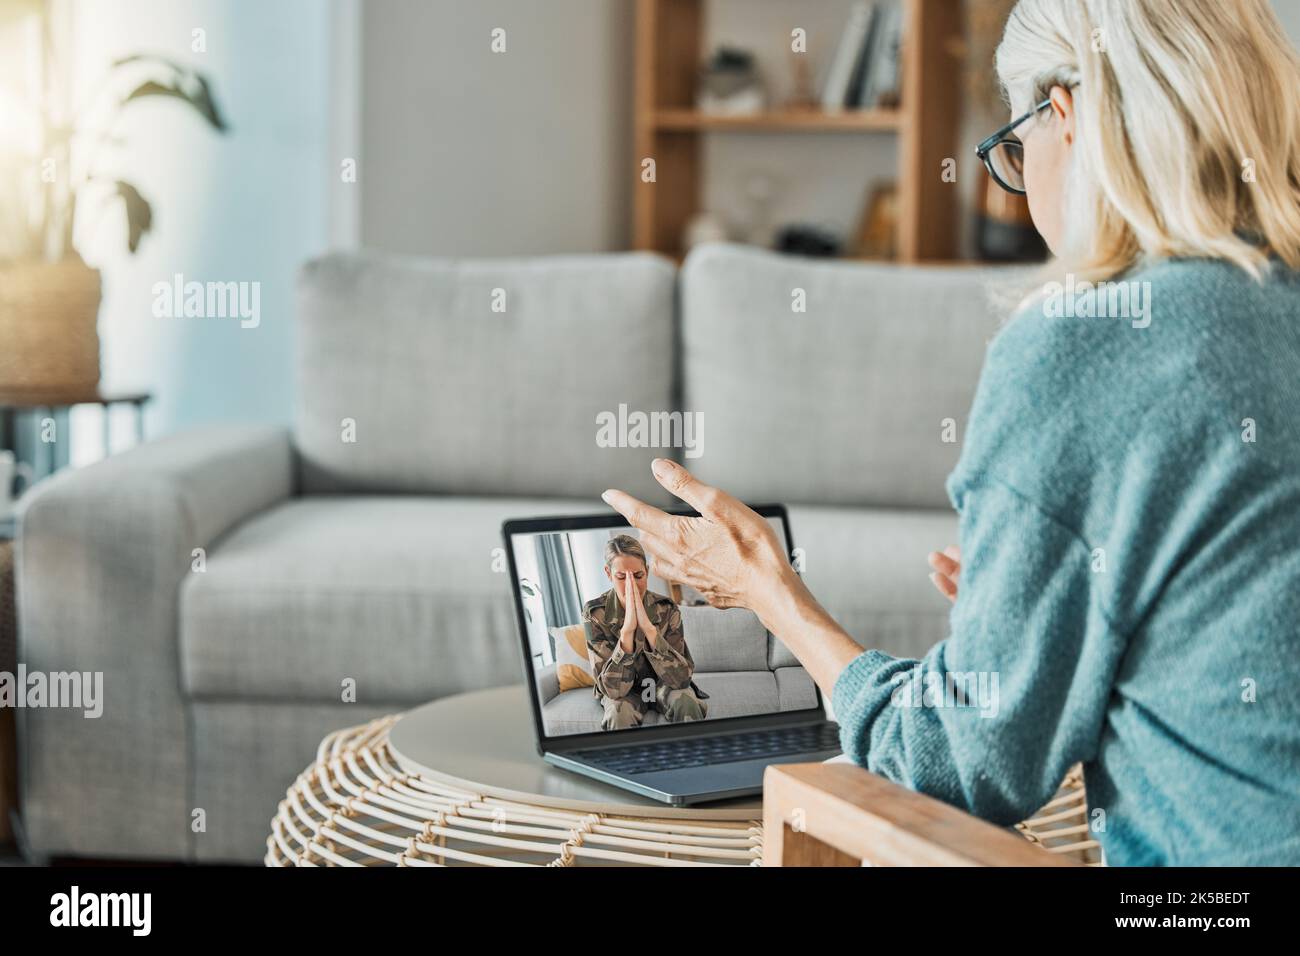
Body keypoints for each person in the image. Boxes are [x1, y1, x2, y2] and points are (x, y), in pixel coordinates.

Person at [601, 0, 1300, 864]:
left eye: (1013, 144)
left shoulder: (1085, 344)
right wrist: (1047, 620)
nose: (1020, 174)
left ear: (1066, 115)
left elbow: (966, 766)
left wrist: (768, 592)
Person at [582, 534, 708, 731]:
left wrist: (650, 630)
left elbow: (681, 678)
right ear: (608, 573)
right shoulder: (595, 613)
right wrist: (627, 633)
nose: (631, 585)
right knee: (618, 713)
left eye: (638, 576)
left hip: (662, 684)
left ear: (647, 572)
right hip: (625, 692)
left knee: (686, 702)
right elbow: (612, 689)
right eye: (621, 577)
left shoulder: (666, 608)